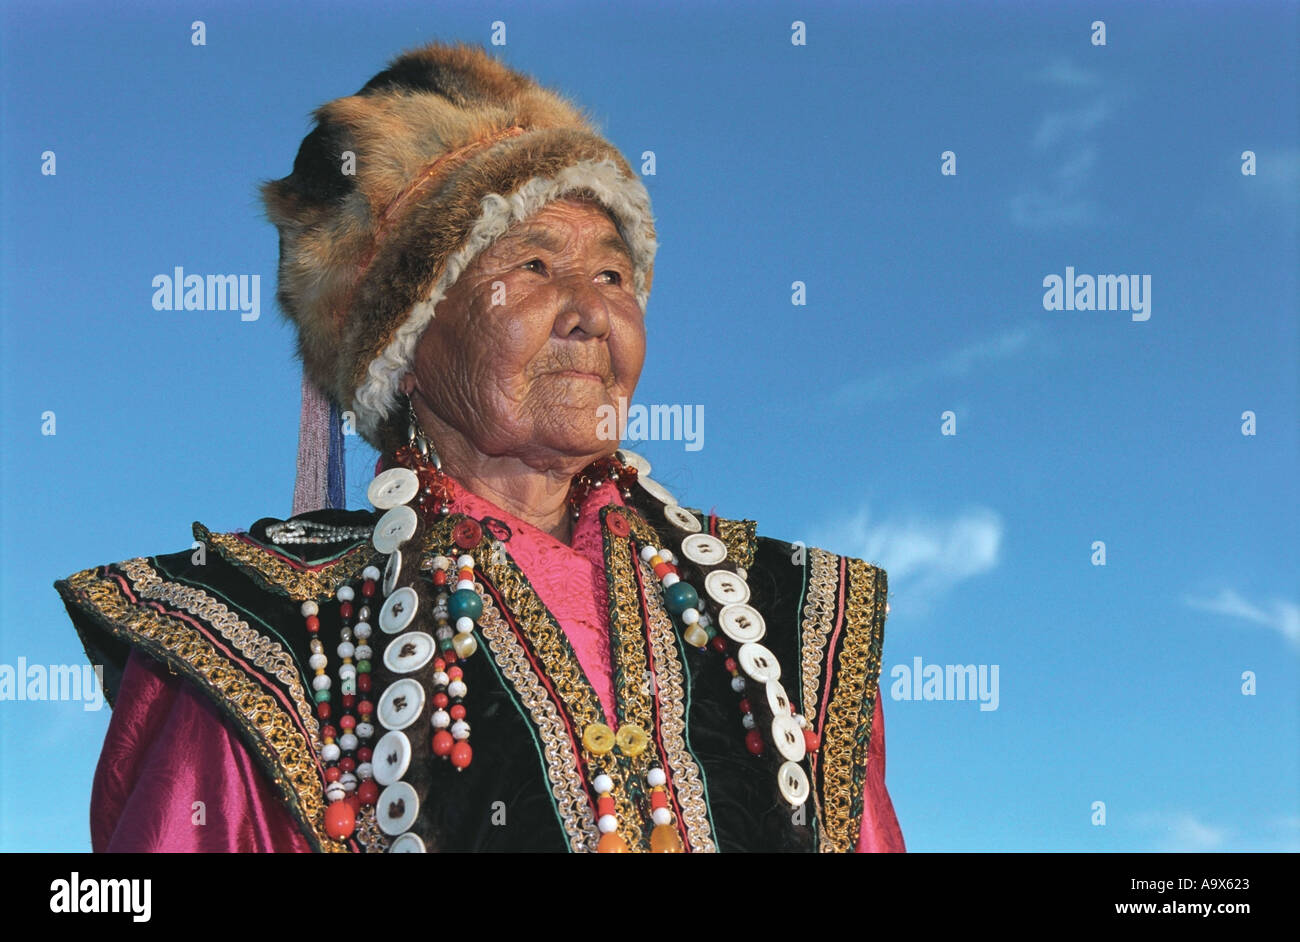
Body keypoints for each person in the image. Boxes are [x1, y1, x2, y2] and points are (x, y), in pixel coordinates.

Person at [54, 40, 904, 853]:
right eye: (532, 266)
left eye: (613, 275)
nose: (589, 311)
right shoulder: (268, 635)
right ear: (407, 344)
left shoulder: (784, 621)